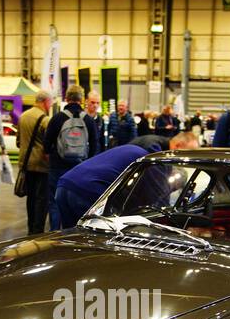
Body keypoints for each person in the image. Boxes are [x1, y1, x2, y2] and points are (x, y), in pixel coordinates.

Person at [52, 131, 199, 228]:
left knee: (72, 242)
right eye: (186, 153)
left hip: (65, 184)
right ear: (178, 145)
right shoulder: (155, 155)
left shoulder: (146, 142)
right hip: (88, 191)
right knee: (93, 245)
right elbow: (158, 200)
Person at [43, 84, 99, 229]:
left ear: (67, 98)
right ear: (82, 100)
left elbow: (46, 143)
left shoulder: (57, 118)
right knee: (76, 201)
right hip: (80, 168)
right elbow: (95, 146)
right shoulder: (88, 120)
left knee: (54, 202)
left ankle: (54, 233)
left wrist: (50, 156)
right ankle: (73, 232)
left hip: (57, 166)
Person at [16, 90, 53, 234]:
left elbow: (19, 141)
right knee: (41, 200)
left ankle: (30, 227)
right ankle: (37, 230)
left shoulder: (23, 116)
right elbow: (48, 144)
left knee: (30, 198)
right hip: (41, 166)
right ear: (45, 102)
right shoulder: (45, 120)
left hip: (25, 164)